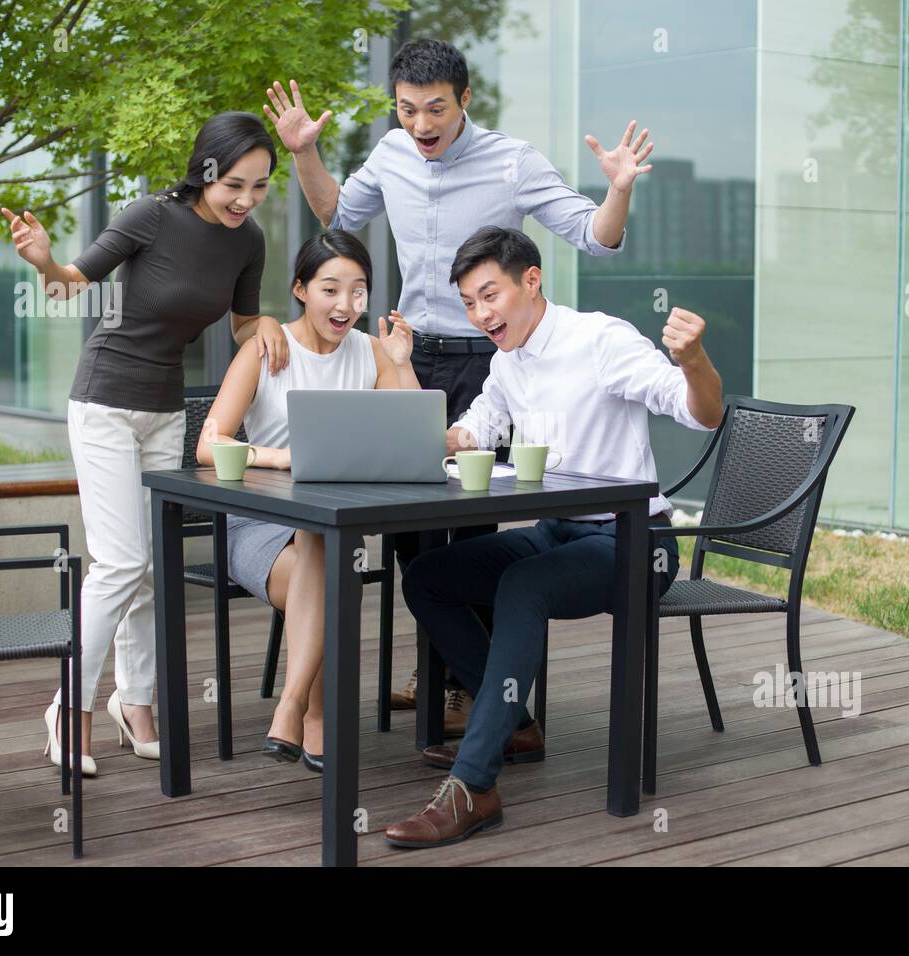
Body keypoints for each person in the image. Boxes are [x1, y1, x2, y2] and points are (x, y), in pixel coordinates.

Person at [264, 37, 657, 723]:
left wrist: (618, 189)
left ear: (465, 100)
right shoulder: (390, 154)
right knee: (411, 524)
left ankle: (468, 690)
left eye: (435, 109)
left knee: (474, 522)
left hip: (489, 358)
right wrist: (303, 152)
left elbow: (594, 235)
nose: (421, 126)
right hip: (412, 357)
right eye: (408, 110)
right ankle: (439, 668)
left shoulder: (513, 161)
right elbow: (336, 214)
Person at [383, 226, 724, 848]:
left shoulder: (600, 340)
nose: (481, 314)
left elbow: (701, 413)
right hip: (557, 532)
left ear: (531, 281)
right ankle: (511, 717)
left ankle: (474, 785)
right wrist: (413, 409)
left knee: (520, 585)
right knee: (430, 576)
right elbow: (474, 428)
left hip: (634, 541)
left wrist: (694, 359)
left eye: (489, 295)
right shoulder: (507, 359)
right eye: (468, 302)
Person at [2, 112, 291, 776]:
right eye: (235, 185)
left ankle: (135, 706)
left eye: (261, 188)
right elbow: (71, 285)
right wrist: (44, 258)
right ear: (206, 170)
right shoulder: (150, 217)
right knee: (119, 564)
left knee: (152, 568)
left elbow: (245, 325)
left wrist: (268, 319)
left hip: (164, 412)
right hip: (104, 401)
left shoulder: (246, 242)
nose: (247, 200)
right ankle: (67, 709)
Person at [196, 230, 418, 772]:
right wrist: (282, 457)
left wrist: (402, 362)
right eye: (330, 289)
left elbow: (414, 438)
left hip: (329, 530)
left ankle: (293, 704)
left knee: (326, 541)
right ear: (300, 289)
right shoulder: (265, 348)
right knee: (334, 558)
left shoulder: (371, 352)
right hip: (257, 527)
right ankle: (313, 713)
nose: (346, 305)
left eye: (358, 291)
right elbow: (209, 444)